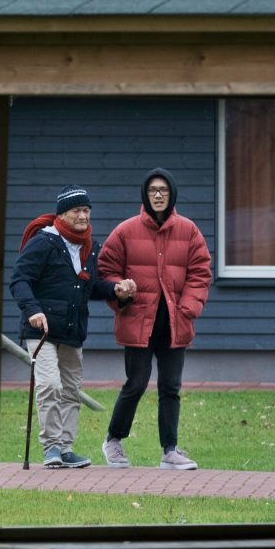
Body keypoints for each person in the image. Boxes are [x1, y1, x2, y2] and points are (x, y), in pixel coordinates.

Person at [8, 186, 134, 470]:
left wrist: (117, 290)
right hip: (41, 330)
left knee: (71, 391)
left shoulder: (89, 246)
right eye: (76, 210)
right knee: (50, 385)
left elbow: (91, 286)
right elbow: (19, 280)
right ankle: (51, 447)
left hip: (73, 330)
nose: (83, 215)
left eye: (86, 210)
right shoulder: (44, 242)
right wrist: (33, 310)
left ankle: (65, 449)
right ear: (62, 214)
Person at [96, 168, 212, 470]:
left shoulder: (189, 231)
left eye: (163, 190)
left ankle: (170, 450)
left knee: (170, 387)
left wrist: (187, 308)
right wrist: (120, 290)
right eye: (152, 191)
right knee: (136, 384)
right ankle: (113, 441)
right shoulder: (125, 231)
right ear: (145, 196)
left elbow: (200, 272)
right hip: (138, 322)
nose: (158, 195)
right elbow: (106, 270)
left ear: (171, 194)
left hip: (175, 324)